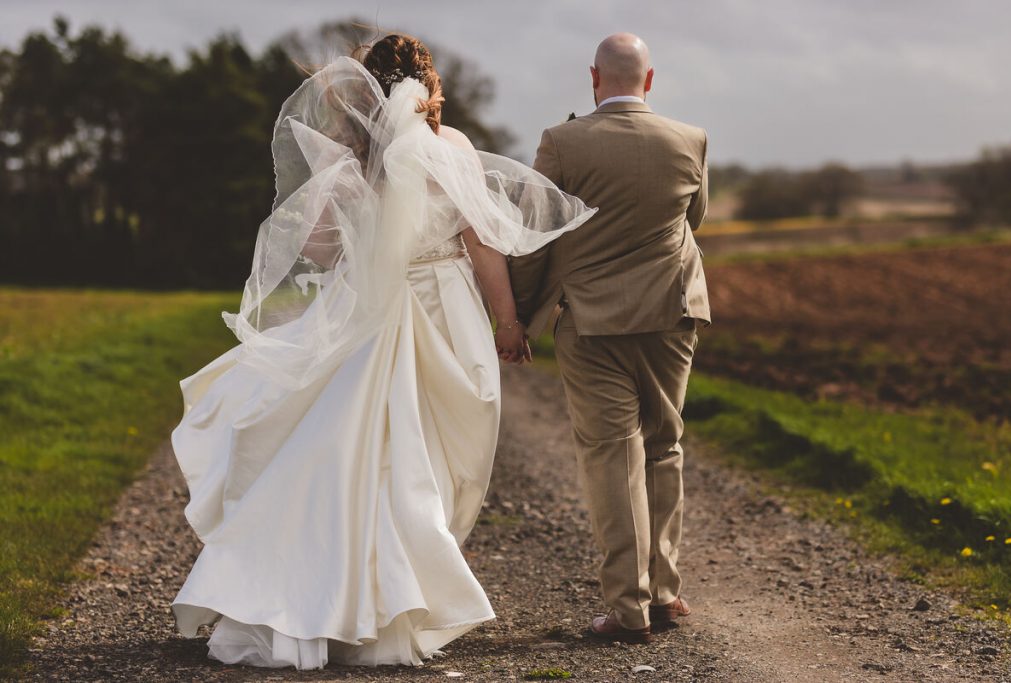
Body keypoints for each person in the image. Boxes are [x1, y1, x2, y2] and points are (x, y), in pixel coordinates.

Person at [169, 34, 594, 669]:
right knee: (433, 449)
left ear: (368, 88)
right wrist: (508, 321)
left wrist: (359, 229)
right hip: (443, 304)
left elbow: (316, 248)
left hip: (373, 308)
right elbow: (481, 242)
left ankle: (329, 599)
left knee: (357, 447)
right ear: (428, 86)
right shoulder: (451, 150)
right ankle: (400, 598)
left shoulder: (353, 156)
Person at [509, 32, 710, 644]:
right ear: (649, 81)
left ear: (593, 78)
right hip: (672, 315)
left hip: (592, 320)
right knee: (665, 443)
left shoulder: (562, 142)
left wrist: (515, 316)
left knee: (612, 456)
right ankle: (667, 593)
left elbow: (533, 234)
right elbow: (693, 218)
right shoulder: (691, 139)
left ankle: (628, 608)